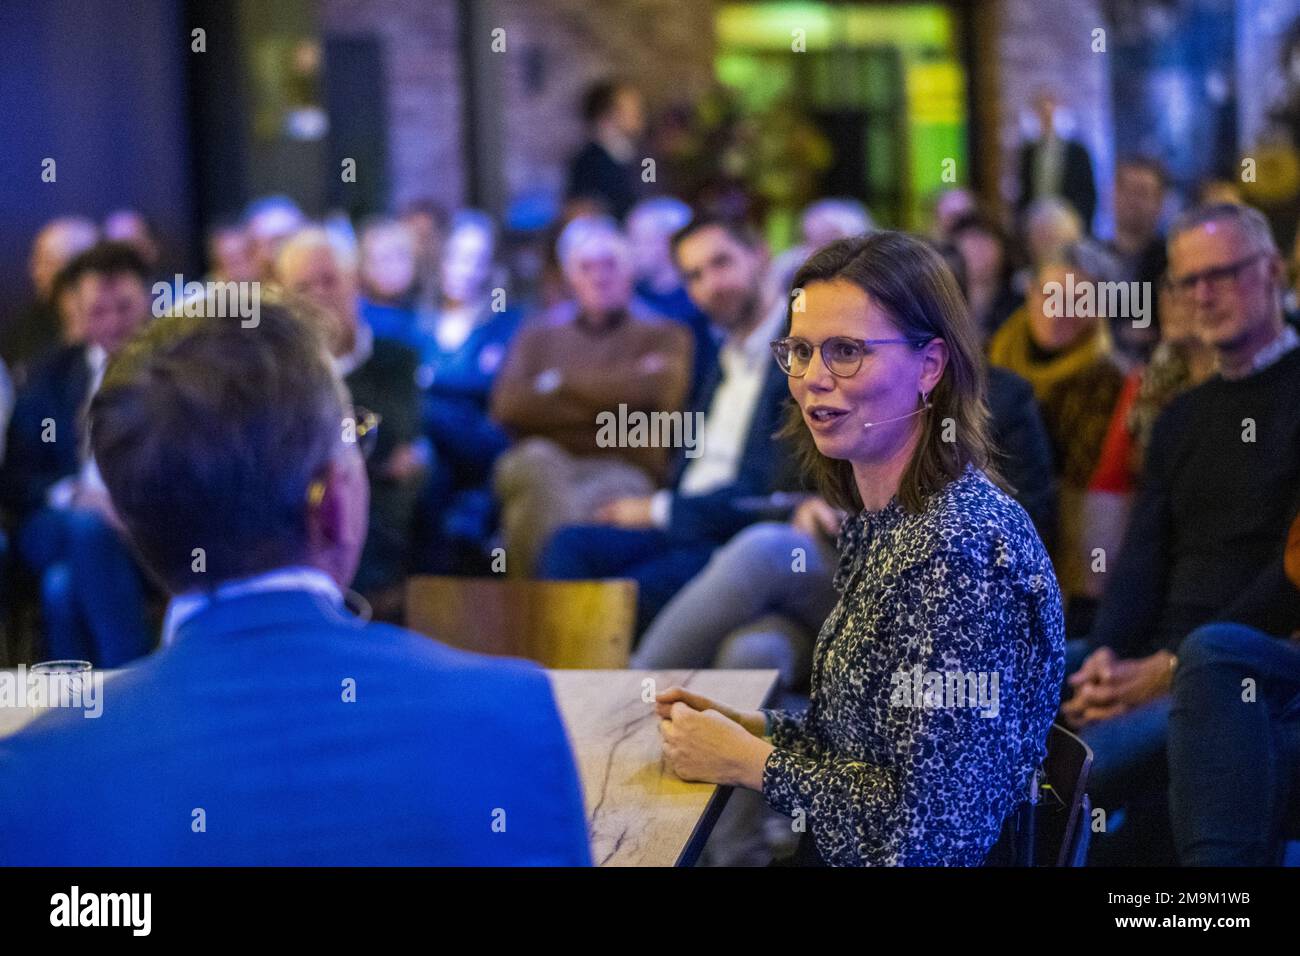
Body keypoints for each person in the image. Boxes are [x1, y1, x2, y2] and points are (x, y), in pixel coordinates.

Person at [0, 298, 591, 866]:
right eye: (354, 437)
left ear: (129, 521)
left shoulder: (34, 781)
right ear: (332, 501)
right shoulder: (513, 720)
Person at [654, 232, 1064, 866]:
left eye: (846, 352)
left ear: (930, 366)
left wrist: (749, 761)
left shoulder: (955, 553)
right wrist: (749, 727)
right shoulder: (888, 520)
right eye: (799, 351)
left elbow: (929, 837)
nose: (814, 378)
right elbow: (864, 745)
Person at [1062, 203, 1300, 864]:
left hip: (1244, 659)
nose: (1203, 295)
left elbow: (1290, 577)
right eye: (1187, 281)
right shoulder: (1181, 417)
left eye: (1222, 274)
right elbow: (1140, 559)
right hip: (1154, 653)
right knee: (998, 692)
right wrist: (1108, 657)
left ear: (1273, 271)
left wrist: (1166, 670)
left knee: (1070, 777)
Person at [537, 216, 794, 635]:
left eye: (722, 263)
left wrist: (657, 509)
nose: (711, 285)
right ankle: (552, 689)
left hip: (732, 534)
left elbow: (765, 491)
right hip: (684, 519)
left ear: (759, 255)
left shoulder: (798, 350)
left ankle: (595, 687)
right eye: (694, 276)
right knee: (570, 546)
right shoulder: (717, 350)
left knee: (615, 598)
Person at [491, 215, 693, 575]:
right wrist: (616, 398)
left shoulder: (666, 334)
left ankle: (530, 616)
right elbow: (508, 405)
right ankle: (567, 618)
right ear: (571, 278)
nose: (599, 276)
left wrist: (558, 384)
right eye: (587, 267)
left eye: (610, 265)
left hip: (624, 469)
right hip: (540, 460)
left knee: (529, 511)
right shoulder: (537, 334)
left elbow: (661, 399)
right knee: (536, 462)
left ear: (630, 271)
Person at [0, 242, 157, 666]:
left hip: (145, 529)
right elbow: (18, 478)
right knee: (88, 529)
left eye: (124, 308)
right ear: (77, 311)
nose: (112, 323)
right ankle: (130, 678)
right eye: (97, 312)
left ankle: (77, 709)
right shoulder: (49, 374)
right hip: (55, 521)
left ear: (148, 300)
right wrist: (78, 497)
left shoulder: (174, 373)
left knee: (61, 588)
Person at [276, 228, 426, 612]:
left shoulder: (398, 358)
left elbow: (389, 441)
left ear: (354, 283)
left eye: (329, 281)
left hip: (378, 518)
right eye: (303, 288)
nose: (319, 296)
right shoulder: (274, 372)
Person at [988, 239, 1125, 617]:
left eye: (1076, 299)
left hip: (1063, 548)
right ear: (1030, 293)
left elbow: (1080, 488)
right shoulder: (989, 355)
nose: (1057, 310)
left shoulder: (1106, 379)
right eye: (1049, 293)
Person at [1, 217, 99, 381]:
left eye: (47, 262)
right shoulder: (29, 323)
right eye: (35, 261)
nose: (36, 272)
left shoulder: (112, 328)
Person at [1105, 158, 1170, 364]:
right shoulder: (1088, 261)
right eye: (1125, 190)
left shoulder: (1174, 263)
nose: (1132, 200)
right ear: (1111, 195)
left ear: (1159, 203)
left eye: (1142, 192)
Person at [1017, 89, 1097, 231]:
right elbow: (1024, 192)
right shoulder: (1028, 151)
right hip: (1036, 226)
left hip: (1069, 225)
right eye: (1042, 114)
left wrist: (1081, 225)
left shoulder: (1077, 151)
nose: (1047, 120)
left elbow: (1087, 193)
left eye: (1050, 114)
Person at [566, 80, 646, 220]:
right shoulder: (587, 162)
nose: (638, 114)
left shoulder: (644, 158)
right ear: (607, 115)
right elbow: (578, 210)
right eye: (631, 109)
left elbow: (649, 190)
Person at [949, 211, 1021, 341]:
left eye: (986, 239)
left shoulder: (1019, 307)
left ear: (1003, 250)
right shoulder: (940, 301)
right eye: (971, 239)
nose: (978, 249)